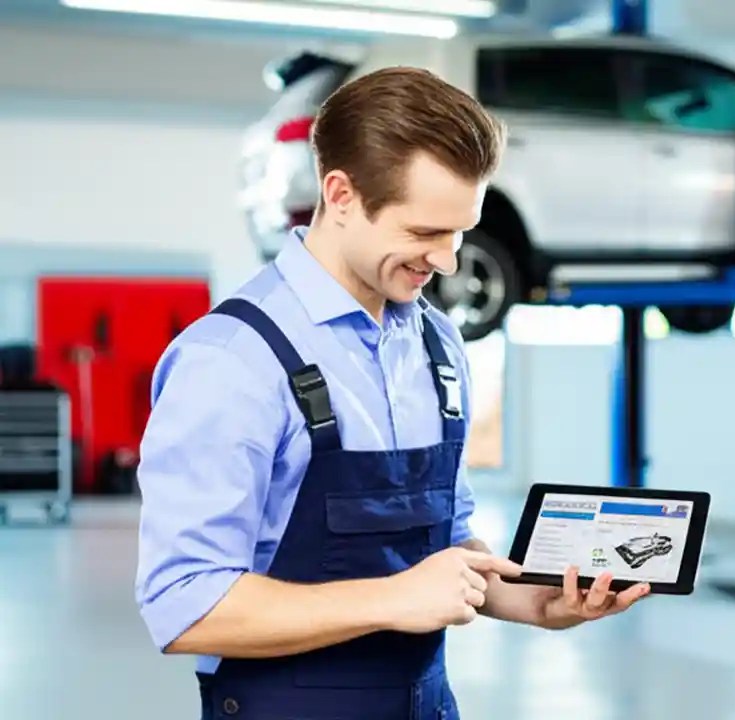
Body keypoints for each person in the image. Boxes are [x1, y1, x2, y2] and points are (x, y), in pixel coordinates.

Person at [133, 66, 649, 720]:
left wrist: (537, 602)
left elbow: (442, 549)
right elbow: (183, 605)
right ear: (341, 195)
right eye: (424, 233)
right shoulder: (232, 361)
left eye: (459, 232)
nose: (449, 262)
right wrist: (393, 598)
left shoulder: (437, 344)